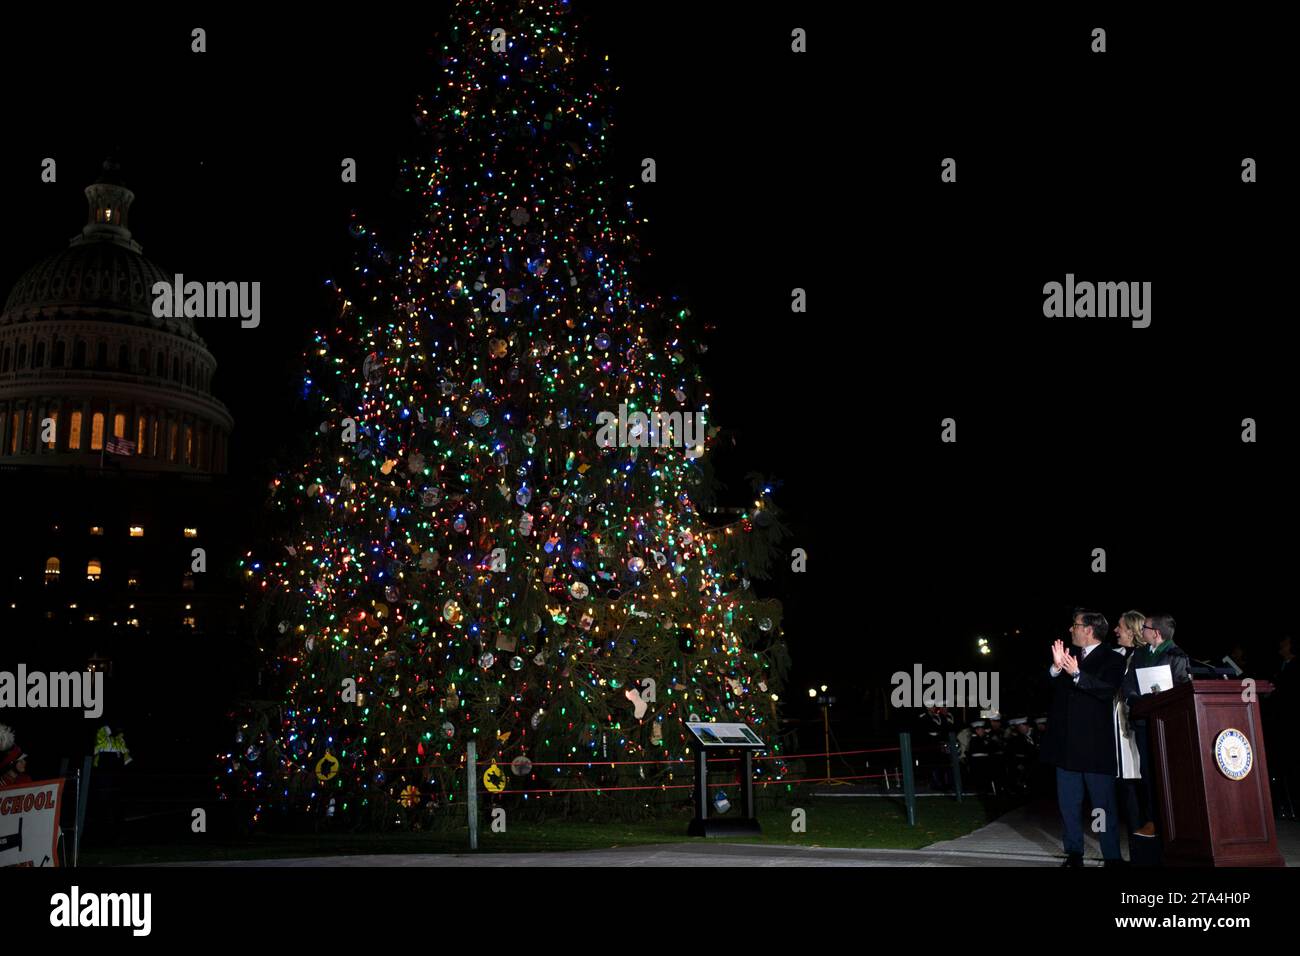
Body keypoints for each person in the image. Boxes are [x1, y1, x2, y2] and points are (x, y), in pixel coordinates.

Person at [1042, 609, 1127, 867]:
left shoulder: (1112, 659)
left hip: (1094, 747)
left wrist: (1078, 674)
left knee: (1102, 805)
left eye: (1075, 625)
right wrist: (1056, 669)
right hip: (1066, 746)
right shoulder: (1070, 657)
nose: (1071, 629)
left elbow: (1107, 691)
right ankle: (1074, 853)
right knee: (1069, 804)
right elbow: (1050, 692)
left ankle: (1111, 856)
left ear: (1089, 630)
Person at [1119, 612, 1192, 846]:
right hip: (1142, 721)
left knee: (1168, 773)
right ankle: (1152, 820)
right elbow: (1129, 683)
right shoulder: (1139, 653)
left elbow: (1182, 689)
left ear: (1156, 633)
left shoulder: (1177, 656)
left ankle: (1175, 821)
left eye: (1146, 628)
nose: (1142, 631)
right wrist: (1136, 701)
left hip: (1167, 724)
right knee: (1148, 772)